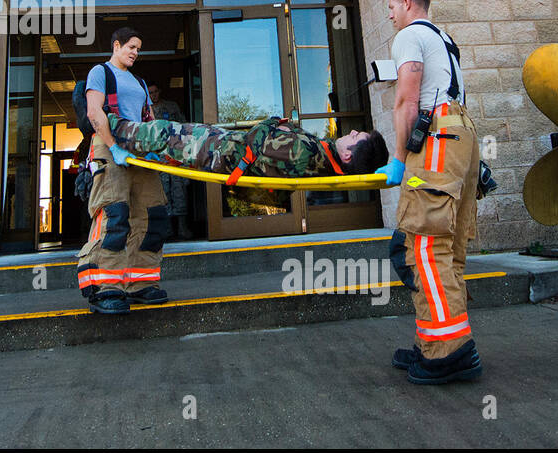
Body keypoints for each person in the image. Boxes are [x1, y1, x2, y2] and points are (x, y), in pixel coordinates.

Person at [376, 0, 483, 384]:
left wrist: (399, 158)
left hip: (436, 136)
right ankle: (434, 343)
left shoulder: (409, 36)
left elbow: (407, 97)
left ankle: (448, 354)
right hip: (461, 133)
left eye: (390, 6)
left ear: (406, 3)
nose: (388, 14)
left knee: (424, 245)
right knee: (447, 247)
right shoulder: (444, 38)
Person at [76, 27, 170, 315]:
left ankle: (140, 284)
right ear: (116, 45)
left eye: (138, 49)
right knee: (114, 214)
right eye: (131, 46)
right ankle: (106, 288)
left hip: (140, 152)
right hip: (109, 147)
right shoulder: (101, 73)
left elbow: (149, 118)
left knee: (152, 214)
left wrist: (154, 150)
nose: (135, 52)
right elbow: (94, 112)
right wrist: (113, 146)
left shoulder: (140, 82)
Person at [109, 112, 389, 180]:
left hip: (215, 150)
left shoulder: (308, 153)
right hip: (218, 145)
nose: (351, 131)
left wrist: (273, 122)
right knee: (161, 136)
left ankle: (104, 122)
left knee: (162, 133)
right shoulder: (322, 154)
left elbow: (258, 139)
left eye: (356, 136)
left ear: (348, 155)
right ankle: (113, 127)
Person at [146, 81, 191, 239]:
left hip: (175, 155)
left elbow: (184, 127)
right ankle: (167, 230)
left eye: (155, 91)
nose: (154, 95)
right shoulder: (145, 111)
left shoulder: (172, 107)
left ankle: (182, 228)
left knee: (180, 193)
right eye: (150, 93)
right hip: (158, 160)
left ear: (160, 91)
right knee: (162, 194)